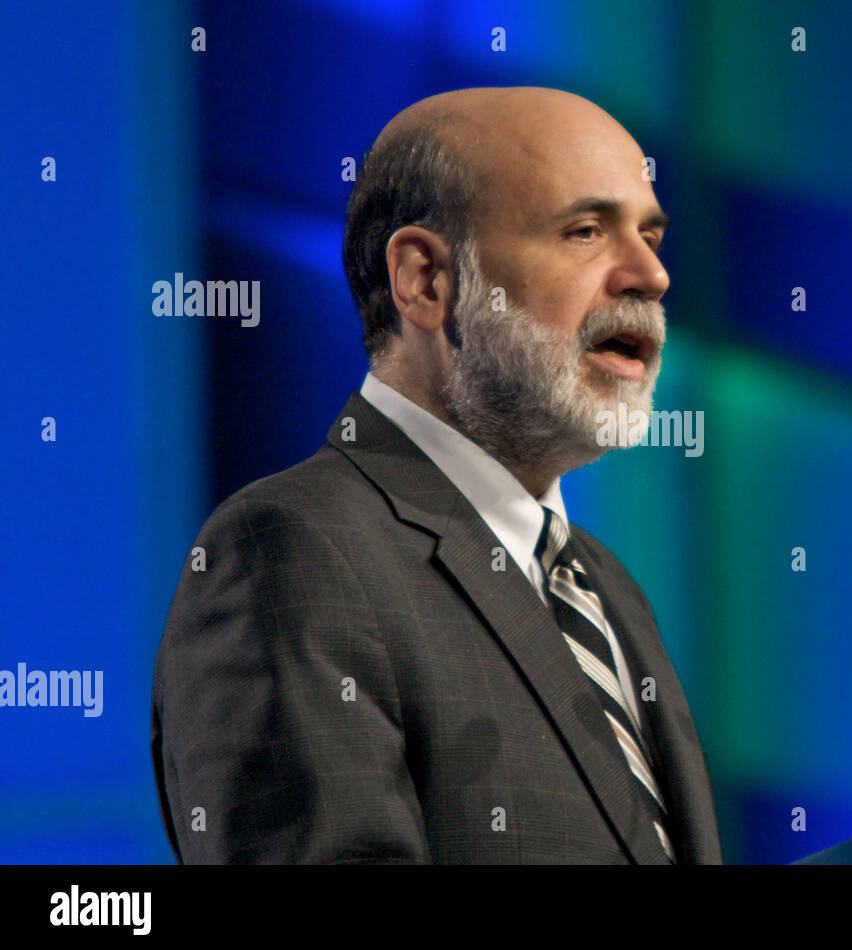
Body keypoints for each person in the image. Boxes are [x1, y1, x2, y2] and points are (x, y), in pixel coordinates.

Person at [150, 86, 723, 864]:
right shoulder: (291, 552)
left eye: (651, 234)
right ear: (425, 280)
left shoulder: (605, 585)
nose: (650, 275)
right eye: (586, 230)